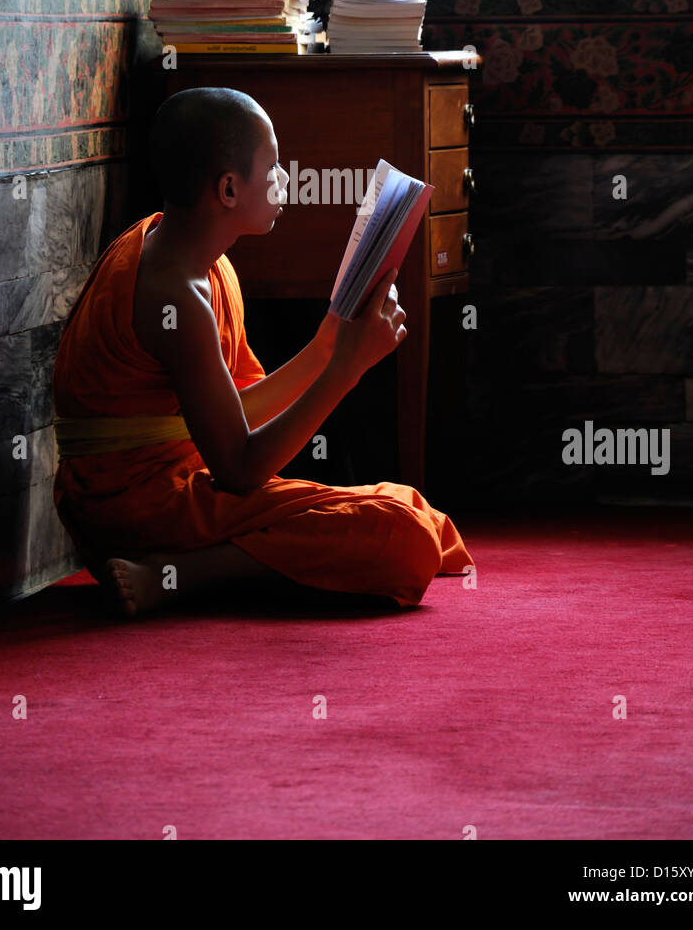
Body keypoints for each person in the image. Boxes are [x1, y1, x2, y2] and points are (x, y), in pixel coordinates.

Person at [52, 87, 473, 617]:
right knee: (403, 538)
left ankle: (191, 565)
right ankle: (178, 575)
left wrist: (324, 347)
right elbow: (240, 468)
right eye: (272, 167)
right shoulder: (174, 295)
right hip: (131, 507)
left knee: (406, 505)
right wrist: (346, 370)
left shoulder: (197, 260)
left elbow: (238, 412)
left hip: (172, 482)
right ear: (229, 189)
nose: (284, 179)